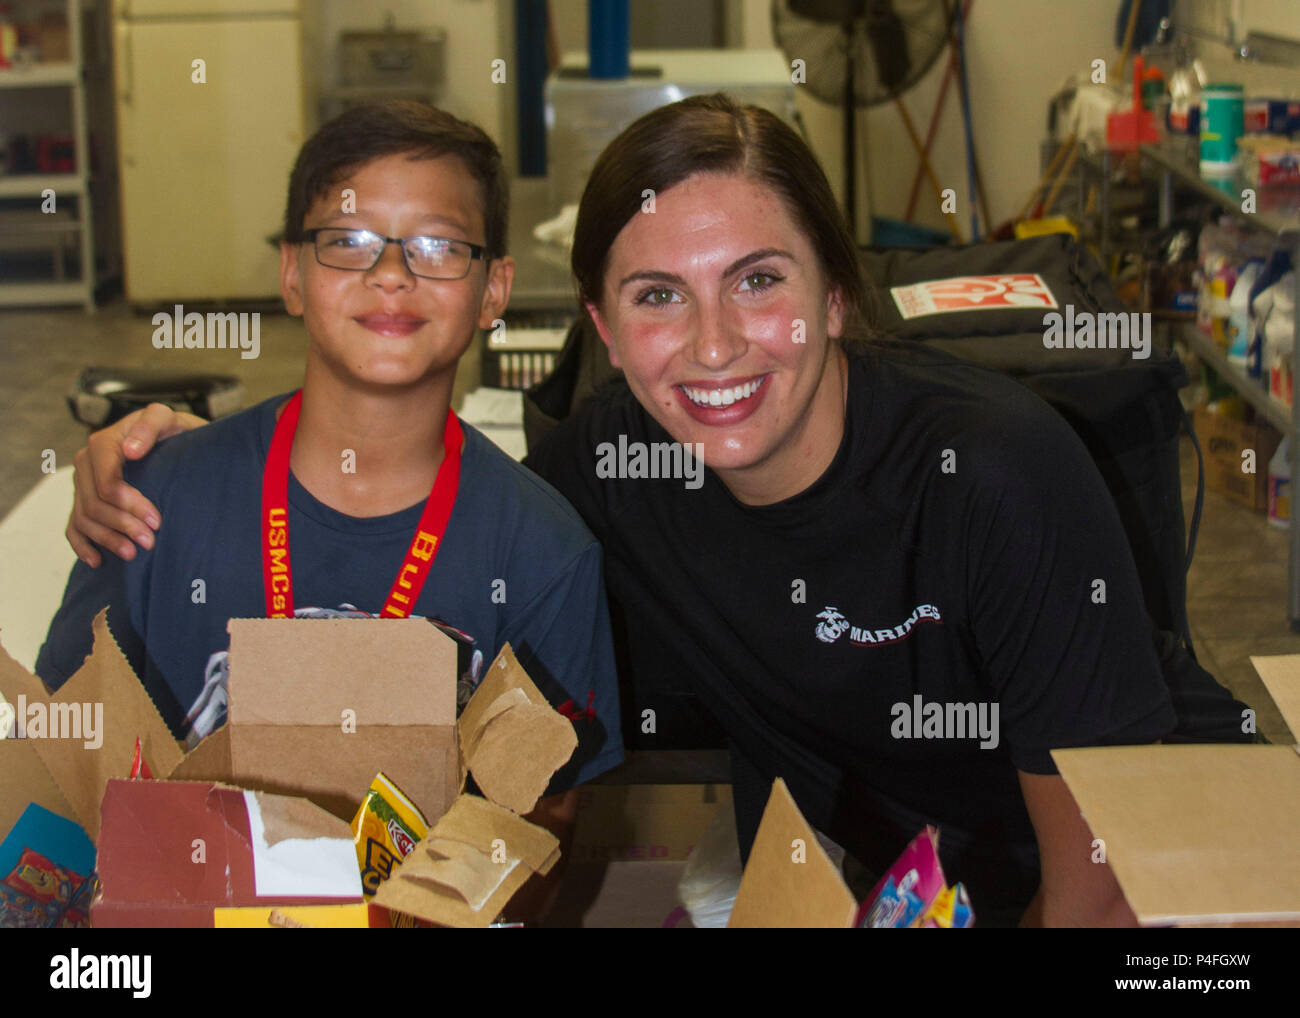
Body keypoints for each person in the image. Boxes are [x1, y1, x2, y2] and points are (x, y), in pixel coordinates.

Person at [64, 94, 1243, 927]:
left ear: (837, 295)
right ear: (603, 330)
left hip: (1159, 874)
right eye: (657, 296)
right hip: (888, 887)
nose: (716, 343)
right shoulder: (602, 486)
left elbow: (1103, 874)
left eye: (759, 280)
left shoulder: (992, 471)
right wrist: (148, 460)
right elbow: (413, 520)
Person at [39, 101, 623, 921]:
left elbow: (545, 827)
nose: (392, 273)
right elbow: (59, 755)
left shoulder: (540, 551)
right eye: (348, 241)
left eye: (438, 245)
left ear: (494, 289)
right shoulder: (154, 501)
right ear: (291, 274)